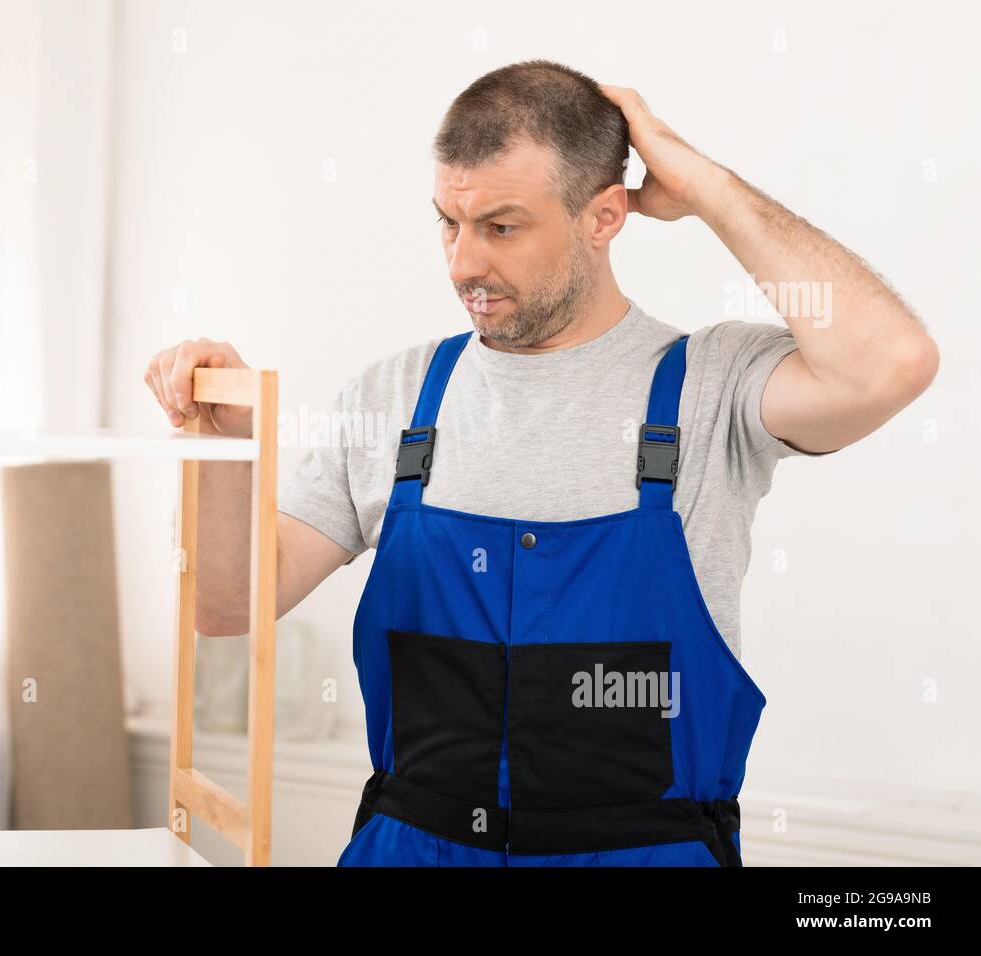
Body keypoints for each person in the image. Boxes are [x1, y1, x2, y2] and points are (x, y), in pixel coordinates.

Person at [142, 60, 938, 867]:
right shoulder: (396, 396)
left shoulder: (712, 386)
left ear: (604, 215)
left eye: (502, 226)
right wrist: (222, 449)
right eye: (448, 223)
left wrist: (704, 186)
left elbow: (891, 362)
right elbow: (226, 603)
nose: (461, 264)